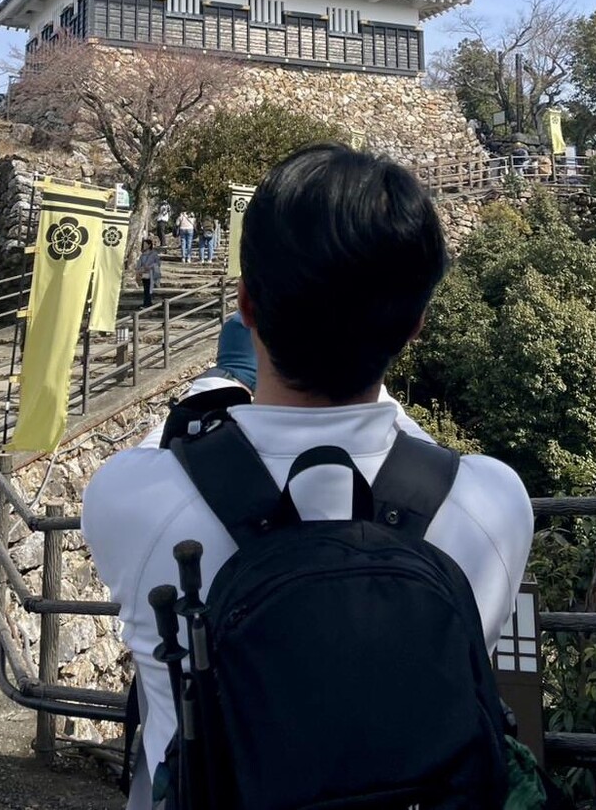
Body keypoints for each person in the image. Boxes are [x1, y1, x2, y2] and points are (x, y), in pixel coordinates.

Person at [83, 145, 534, 807]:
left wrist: (220, 385)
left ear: (245, 305)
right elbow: (405, 437)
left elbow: (164, 446)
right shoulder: (492, 501)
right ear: (416, 326)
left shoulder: (128, 497)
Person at [136, 238, 161, 308]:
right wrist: (139, 270)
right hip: (144, 273)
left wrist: (150, 267)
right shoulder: (142, 255)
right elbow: (139, 264)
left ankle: (148, 303)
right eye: (143, 245)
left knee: (149, 289)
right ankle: (146, 303)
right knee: (145, 289)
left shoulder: (154, 254)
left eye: (145, 244)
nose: (144, 246)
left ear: (149, 245)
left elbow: (158, 263)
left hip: (151, 274)